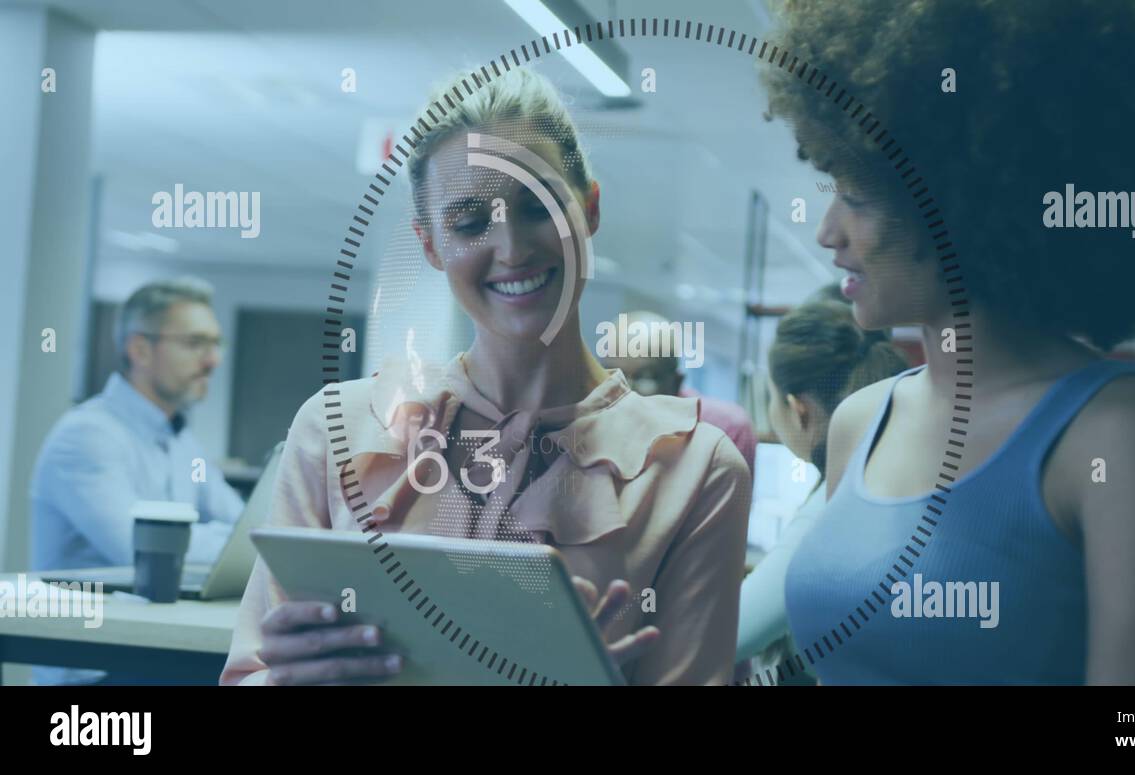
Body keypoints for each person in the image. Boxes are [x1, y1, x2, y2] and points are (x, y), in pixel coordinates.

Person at [221, 68, 751, 686]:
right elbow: (247, 678)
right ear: (431, 246)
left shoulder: (693, 467)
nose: (512, 248)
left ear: (590, 209)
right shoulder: (336, 428)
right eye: (471, 222)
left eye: (538, 207)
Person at [764, 0, 1135, 684]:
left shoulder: (1121, 435)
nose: (828, 231)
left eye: (857, 196)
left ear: (961, 200)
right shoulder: (862, 422)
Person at [30, 277, 244, 684]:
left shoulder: (179, 440)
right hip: (96, 671)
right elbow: (148, 550)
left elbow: (244, 524)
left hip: (154, 652)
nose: (213, 360)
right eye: (195, 343)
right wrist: (245, 542)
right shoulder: (87, 436)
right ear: (140, 349)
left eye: (216, 344)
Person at [736, 289, 907, 676]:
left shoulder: (834, 503)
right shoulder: (887, 469)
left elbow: (726, 634)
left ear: (798, 410)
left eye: (771, 398)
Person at [602, 309, 757, 474]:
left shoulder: (726, 427)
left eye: (645, 377)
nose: (625, 391)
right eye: (613, 374)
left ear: (676, 383)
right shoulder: (593, 425)